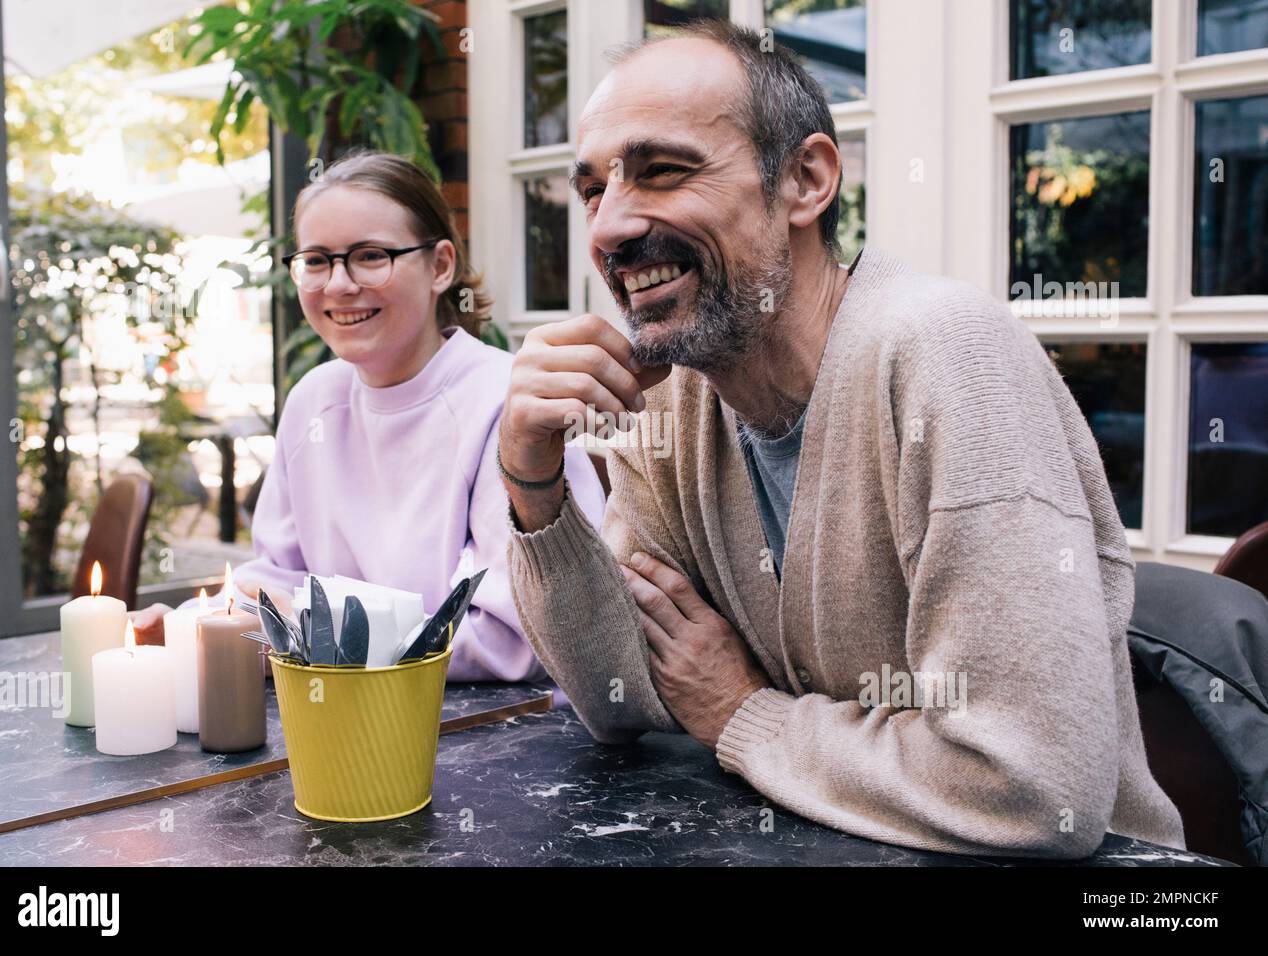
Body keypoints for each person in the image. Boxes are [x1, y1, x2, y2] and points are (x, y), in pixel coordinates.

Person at [496, 21, 1185, 857]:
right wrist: (532, 483)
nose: (608, 228)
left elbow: (1030, 787)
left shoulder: (944, 352)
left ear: (806, 180)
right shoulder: (674, 402)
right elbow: (621, 701)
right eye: (593, 192)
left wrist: (743, 713)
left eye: (663, 171)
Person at [133, 150, 605, 682]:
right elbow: (278, 574)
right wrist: (192, 623)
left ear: (440, 266)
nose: (338, 285)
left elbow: (513, 640)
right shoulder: (314, 399)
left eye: (370, 255)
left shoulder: (506, 402)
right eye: (316, 260)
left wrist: (315, 640)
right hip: (341, 716)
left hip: (501, 733)